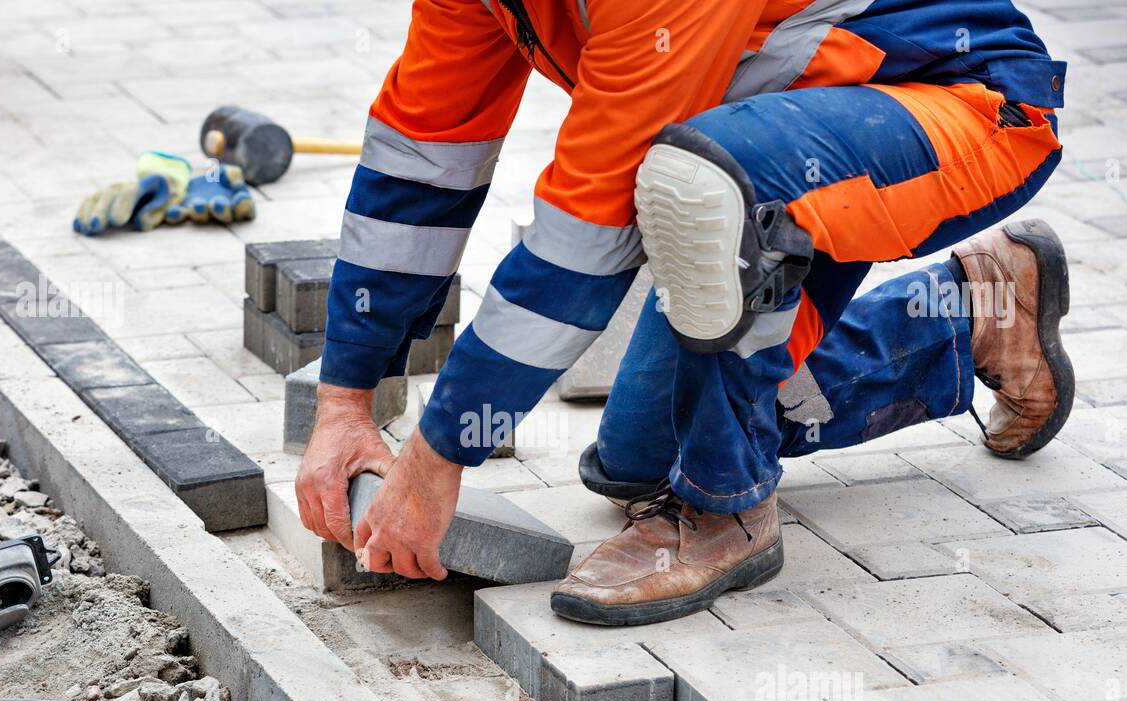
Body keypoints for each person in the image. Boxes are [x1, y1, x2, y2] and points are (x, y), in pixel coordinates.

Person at [296, 0, 1071, 626]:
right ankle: (966, 316)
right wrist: (345, 401)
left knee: (694, 182)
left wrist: (437, 461)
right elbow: (420, 165)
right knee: (640, 462)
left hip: (955, 108)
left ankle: (726, 512)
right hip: (782, 151)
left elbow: (581, 242)